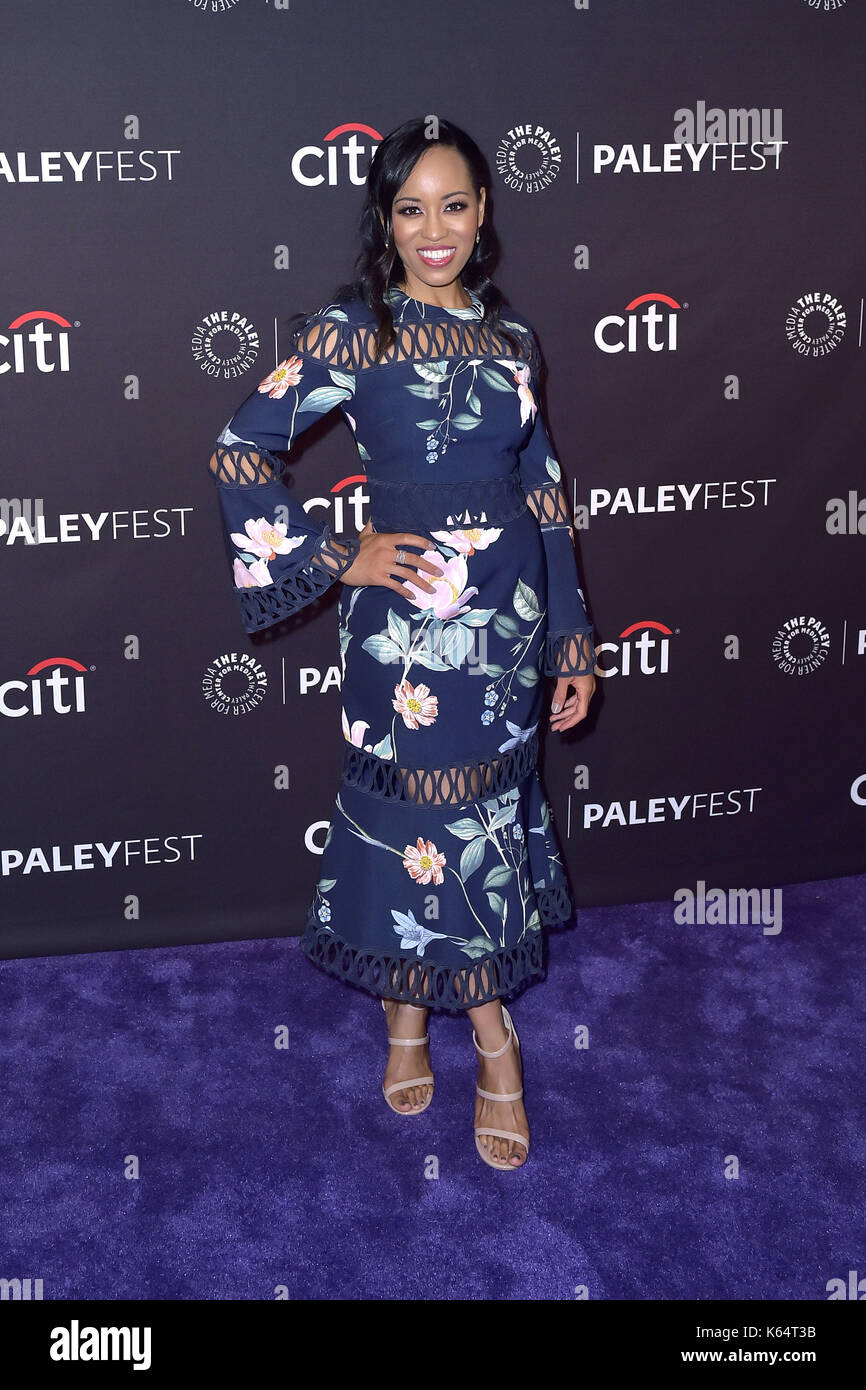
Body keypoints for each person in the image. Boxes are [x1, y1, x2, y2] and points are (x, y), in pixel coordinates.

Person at [208, 117, 597, 1170]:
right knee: (420, 818)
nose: (436, 230)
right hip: (407, 642)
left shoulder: (511, 340)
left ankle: (440, 1022)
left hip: (504, 629)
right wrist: (340, 553)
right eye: (411, 208)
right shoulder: (353, 329)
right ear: (386, 219)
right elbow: (241, 446)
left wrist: (568, 634)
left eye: (456, 204)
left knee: (482, 814)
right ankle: (472, 1030)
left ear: (483, 213)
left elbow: (543, 488)